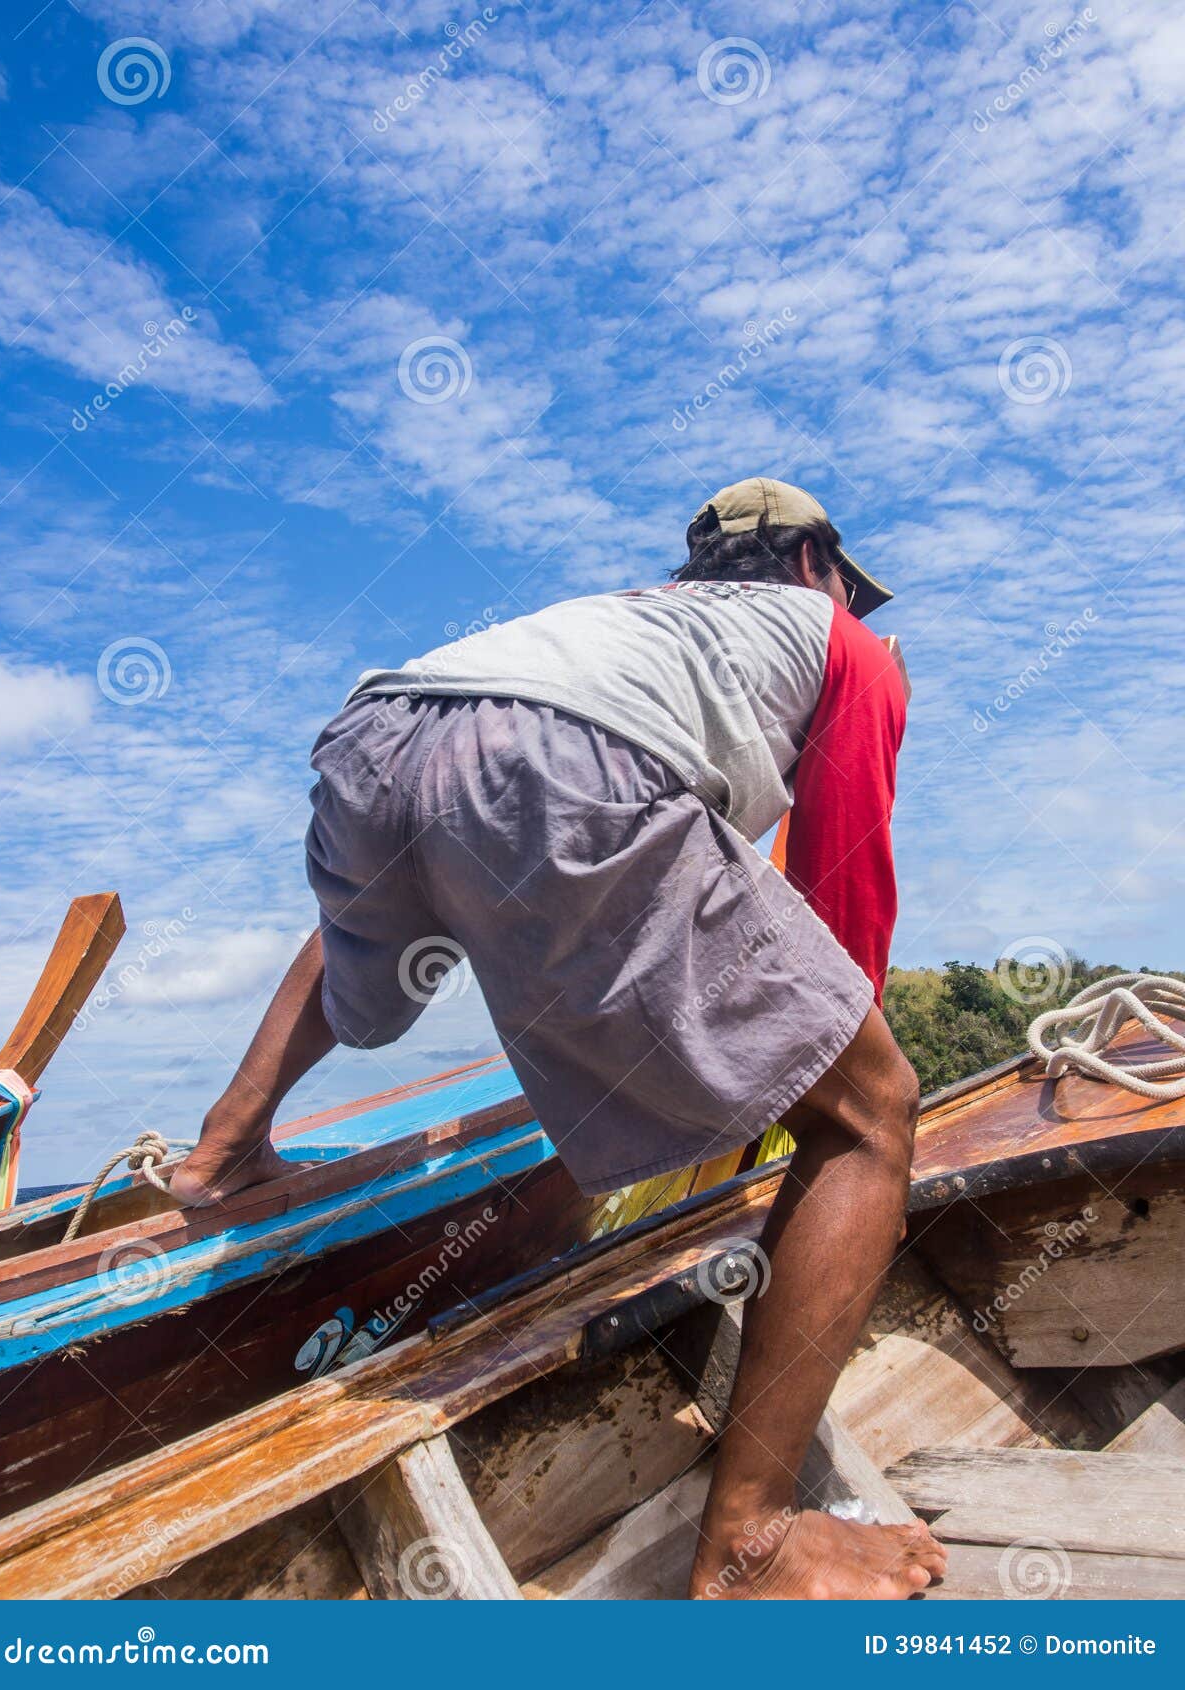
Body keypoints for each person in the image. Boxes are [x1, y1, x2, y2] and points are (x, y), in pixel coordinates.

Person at [171, 476, 946, 1600]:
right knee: (873, 1119)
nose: (855, 610)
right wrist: (825, 1096)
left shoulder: (630, 622)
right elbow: (842, 890)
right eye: (846, 586)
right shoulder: (846, 650)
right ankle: (756, 1539)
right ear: (816, 565)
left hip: (384, 731)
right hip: (564, 755)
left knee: (377, 945)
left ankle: (224, 1146)